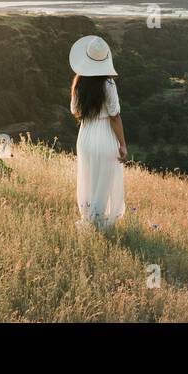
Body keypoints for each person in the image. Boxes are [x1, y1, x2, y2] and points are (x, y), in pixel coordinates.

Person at [68, 35, 127, 231]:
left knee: (87, 176)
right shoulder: (108, 85)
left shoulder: (79, 83)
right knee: (104, 180)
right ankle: (99, 222)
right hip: (105, 136)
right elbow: (115, 116)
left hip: (85, 136)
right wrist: (123, 144)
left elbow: (75, 111)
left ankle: (88, 218)